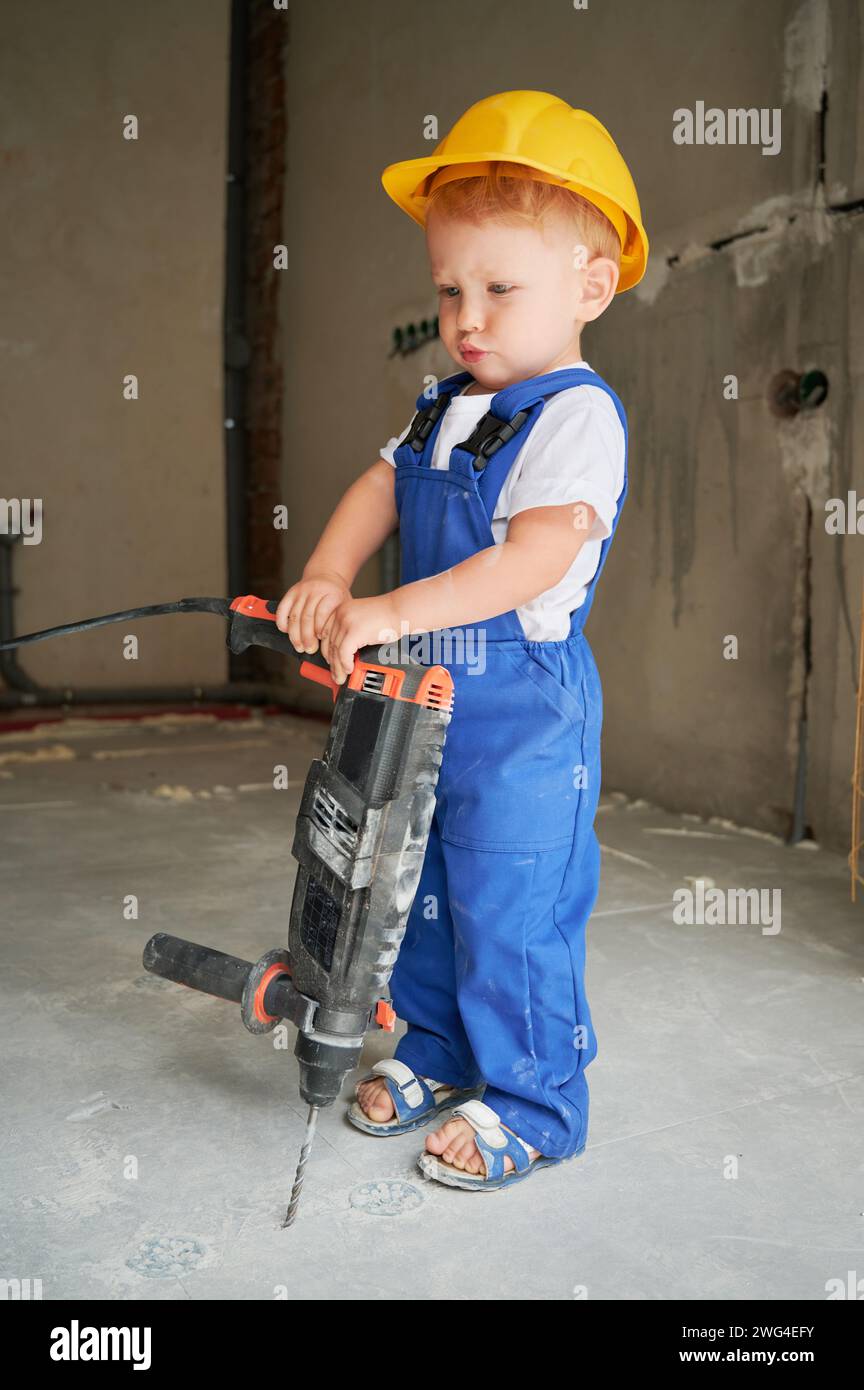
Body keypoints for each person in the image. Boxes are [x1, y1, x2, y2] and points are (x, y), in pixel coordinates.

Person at [275, 90, 649, 1190]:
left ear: (590, 285)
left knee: (512, 897)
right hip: (425, 705)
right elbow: (383, 483)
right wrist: (330, 574)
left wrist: (389, 611)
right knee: (418, 881)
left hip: (523, 708)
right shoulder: (446, 403)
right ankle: (439, 1054)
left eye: (497, 288)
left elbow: (530, 560)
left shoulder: (576, 416)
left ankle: (536, 1100)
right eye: (449, 289)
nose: (466, 315)